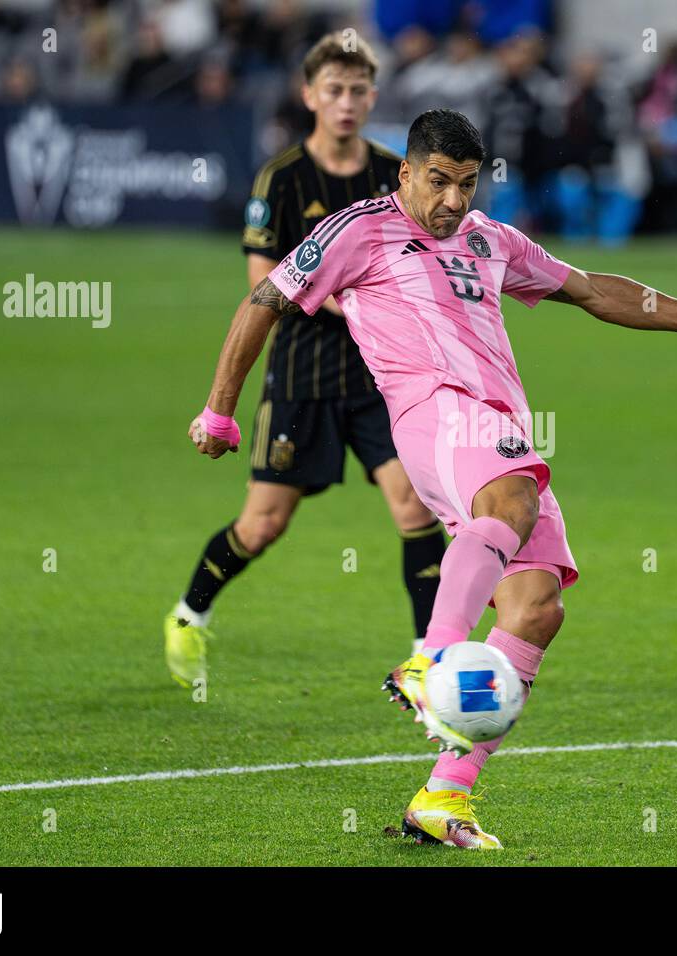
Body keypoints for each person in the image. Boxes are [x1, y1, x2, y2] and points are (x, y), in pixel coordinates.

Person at [188, 108, 677, 848]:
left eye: (467, 183)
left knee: (535, 607)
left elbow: (593, 289)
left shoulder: (491, 240)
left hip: (498, 427)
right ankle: (429, 658)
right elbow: (263, 301)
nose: (455, 200)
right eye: (439, 181)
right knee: (515, 497)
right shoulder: (358, 230)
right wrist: (219, 412)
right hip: (434, 414)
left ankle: (444, 795)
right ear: (406, 173)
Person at [164, 32, 447, 689]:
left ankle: (429, 657)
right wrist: (359, 303)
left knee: (414, 506)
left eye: (357, 91)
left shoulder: (394, 173)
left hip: (383, 376)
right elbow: (262, 282)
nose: (346, 103)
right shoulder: (282, 178)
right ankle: (188, 615)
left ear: (373, 97)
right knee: (263, 525)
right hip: (302, 373)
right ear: (310, 96)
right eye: (334, 91)